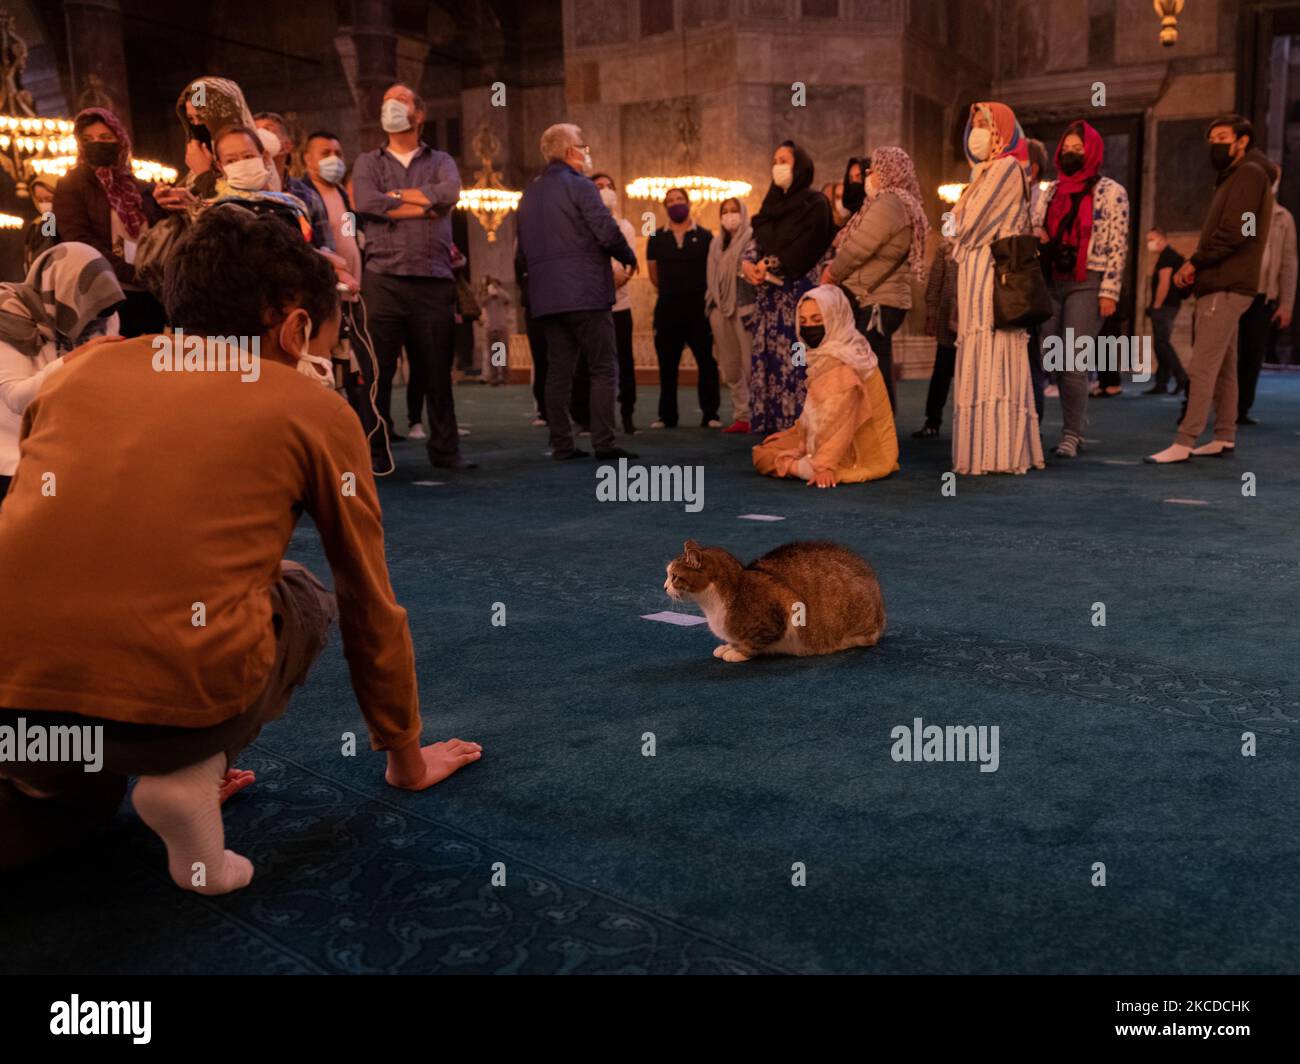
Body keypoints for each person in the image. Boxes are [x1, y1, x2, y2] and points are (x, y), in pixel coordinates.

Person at [0, 206, 481, 886]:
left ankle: (43, 780)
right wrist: (407, 759)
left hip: (12, 691)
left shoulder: (82, 370)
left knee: (63, 810)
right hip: (172, 708)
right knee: (302, 593)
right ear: (294, 328)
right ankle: (189, 774)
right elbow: (365, 596)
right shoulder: (311, 407)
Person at [351, 83, 472, 471]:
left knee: (437, 371)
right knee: (377, 374)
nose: (390, 106)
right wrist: (422, 205)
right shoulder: (369, 162)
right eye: (386, 100)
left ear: (419, 114)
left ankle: (445, 450)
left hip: (433, 279)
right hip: (382, 278)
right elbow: (367, 202)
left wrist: (394, 201)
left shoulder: (441, 161)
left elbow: (449, 192)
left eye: (400, 101)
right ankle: (374, 453)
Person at [1146, 116, 1274, 463]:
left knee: (1202, 364)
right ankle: (1224, 436)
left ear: (1242, 141)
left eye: (1222, 137)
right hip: (1227, 281)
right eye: (1211, 138)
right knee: (1225, 367)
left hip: (1226, 283)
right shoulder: (1237, 176)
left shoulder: (1248, 175)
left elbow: (1239, 230)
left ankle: (1184, 441)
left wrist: (1195, 262)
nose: (1214, 144)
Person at [516, 123, 639, 461]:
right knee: (602, 366)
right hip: (584, 292)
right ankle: (603, 442)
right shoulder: (581, 186)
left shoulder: (529, 193)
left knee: (558, 371)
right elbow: (605, 230)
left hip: (547, 298)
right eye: (583, 146)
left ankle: (562, 444)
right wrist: (628, 257)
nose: (587, 153)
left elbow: (521, 253)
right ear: (571, 152)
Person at [950, 101, 1044, 476]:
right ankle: (978, 449)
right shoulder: (980, 174)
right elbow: (954, 228)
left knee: (995, 355)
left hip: (994, 279)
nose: (976, 130)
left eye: (984, 123)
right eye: (973, 123)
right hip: (974, 277)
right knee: (978, 354)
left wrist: (958, 222)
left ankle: (998, 453)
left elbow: (967, 226)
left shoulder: (1006, 168)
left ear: (1002, 130)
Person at [1032, 119, 1130, 456]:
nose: (1071, 153)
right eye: (1067, 148)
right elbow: (1036, 227)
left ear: (1092, 152)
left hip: (1088, 282)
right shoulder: (1051, 191)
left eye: (1079, 149)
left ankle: (1071, 434)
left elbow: (1118, 244)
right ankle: (1077, 414)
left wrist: (1109, 291)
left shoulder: (1111, 191)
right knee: (1049, 356)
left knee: (1073, 359)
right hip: (1052, 280)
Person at [0, 243, 124, 499]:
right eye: (89, 314)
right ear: (64, 294)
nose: (96, 325)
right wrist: (79, 358)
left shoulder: (103, 312)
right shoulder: (8, 316)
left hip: (69, 451)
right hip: (13, 458)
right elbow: (16, 398)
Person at [752, 285, 898, 486]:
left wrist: (824, 466)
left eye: (817, 320)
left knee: (765, 457)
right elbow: (821, 409)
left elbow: (840, 420)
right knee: (767, 449)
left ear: (834, 318)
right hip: (837, 436)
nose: (809, 328)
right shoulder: (849, 347)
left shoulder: (843, 361)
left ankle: (807, 468)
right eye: (803, 322)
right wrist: (796, 432)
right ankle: (805, 464)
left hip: (859, 449)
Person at [823, 145, 929, 413]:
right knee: (874, 366)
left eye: (875, 168)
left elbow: (859, 246)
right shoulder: (898, 201)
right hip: (881, 298)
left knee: (872, 371)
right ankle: (878, 431)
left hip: (878, 301)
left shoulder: (890, 202)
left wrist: (832, 273)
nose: (869, 173)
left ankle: (879, 432)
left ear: (889, 172)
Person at [53, 106, 172, 337]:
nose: (97, 143)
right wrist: (130, 272)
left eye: (105, 137)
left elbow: (155, 232)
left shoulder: (137, 186)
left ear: (120, 140)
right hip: (106, 291)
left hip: (148, 291)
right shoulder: (72, 183)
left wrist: (164, 204)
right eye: (88, 139)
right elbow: (79, 239)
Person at [744, 140, 833, 436]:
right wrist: (749, 265)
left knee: (798, 363)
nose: (778, 166)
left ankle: (800, 427)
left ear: (800, 166)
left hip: (799, 302)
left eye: (784, 160)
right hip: (769, 302)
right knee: (770, 362)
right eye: (775, 160)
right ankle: (773, 427)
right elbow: (755, 243)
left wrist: (770, 263)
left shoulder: (815, 204)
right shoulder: (770, 207)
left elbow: (808, 248)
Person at [646, 188, 718, 429]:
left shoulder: (707, 236)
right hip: (667, 308)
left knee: (707, 362)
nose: (675, 204)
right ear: (664, 207)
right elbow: (653, 272)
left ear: (689, 203)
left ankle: (710, 414)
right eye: (670, 201)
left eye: (679, 200)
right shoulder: (655, 237)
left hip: (699, 309)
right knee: (667, 365)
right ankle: (667, 416)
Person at [1238, 170, 1296, 423]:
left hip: (1264, 297)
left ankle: (1242, 408)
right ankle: (1218, 403)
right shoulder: (1249, 214)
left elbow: (1288, 263)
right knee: (1230, 353)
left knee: (1253, 354)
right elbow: (1244, 246)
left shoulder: (1283, 218)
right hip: (1240, 291)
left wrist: (1286, 304)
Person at [592, 172, 639, 434]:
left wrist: (612, 281)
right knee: (596, 363)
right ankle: (593, 418)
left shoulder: (626, 227)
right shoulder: (584, 226)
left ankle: (628, 415)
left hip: (620, 306)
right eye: (598, 187)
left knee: (625, 362)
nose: (605, 190)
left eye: (609, 186)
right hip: (594, 306)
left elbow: (627, 266)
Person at [706, 196, 755, 434]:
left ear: (743, 213)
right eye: (725, 211)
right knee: (731, 366)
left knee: (751, 364)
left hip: (745, 307)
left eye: (734, 210)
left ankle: (760, 414)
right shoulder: (716, 243)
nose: (729, 215)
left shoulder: (752, 237)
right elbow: (711, 277)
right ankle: (742, 416)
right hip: (720, 309)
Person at [254, 112, 333, 251]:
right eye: (254, 130)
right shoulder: (244, 193)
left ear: (287, 145)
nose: (259, 135)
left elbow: (326, 247)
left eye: (268, 129)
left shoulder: (307, 196)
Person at [174, 76, 258, 200]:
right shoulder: (207, 156)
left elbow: (242, 209)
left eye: (203, 117)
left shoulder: (250, 153)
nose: (196, 124)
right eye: (191, 119)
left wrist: (203, 174)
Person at [912, 236, 958, 438]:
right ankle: (932, 420)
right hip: (949, 317)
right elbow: (935, 281)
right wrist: (931, 313)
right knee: (942, 370)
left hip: (976, 321)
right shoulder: (947, 246)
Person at [1144, 227, 1189, 396]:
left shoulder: (1167, 258)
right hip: (1171, 305)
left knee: (1162, 343)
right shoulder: (1171, 256)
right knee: (1160, 343)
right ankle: (1161, 382)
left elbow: (1164, 283)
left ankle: (1181, 377)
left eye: (1152, 239)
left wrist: (1156, 306)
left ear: (1161, 239)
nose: (1150, 243)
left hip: (1165, 306)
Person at [478, 275, 512, 386]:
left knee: (503, 354)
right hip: (490, 327)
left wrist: (499, 291)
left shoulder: (502, 296)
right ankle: (494, 379)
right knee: (493, 355)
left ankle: (504, 379)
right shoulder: (487, 298)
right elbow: (481, 302)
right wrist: (489, 293)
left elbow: (508, 299)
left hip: (502, 327)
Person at [23, 176, 57, 272]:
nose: (44, 204)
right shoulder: (37, 222)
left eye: (49, 199)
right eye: (39, 200)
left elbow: (46, 250)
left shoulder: (51, 219)